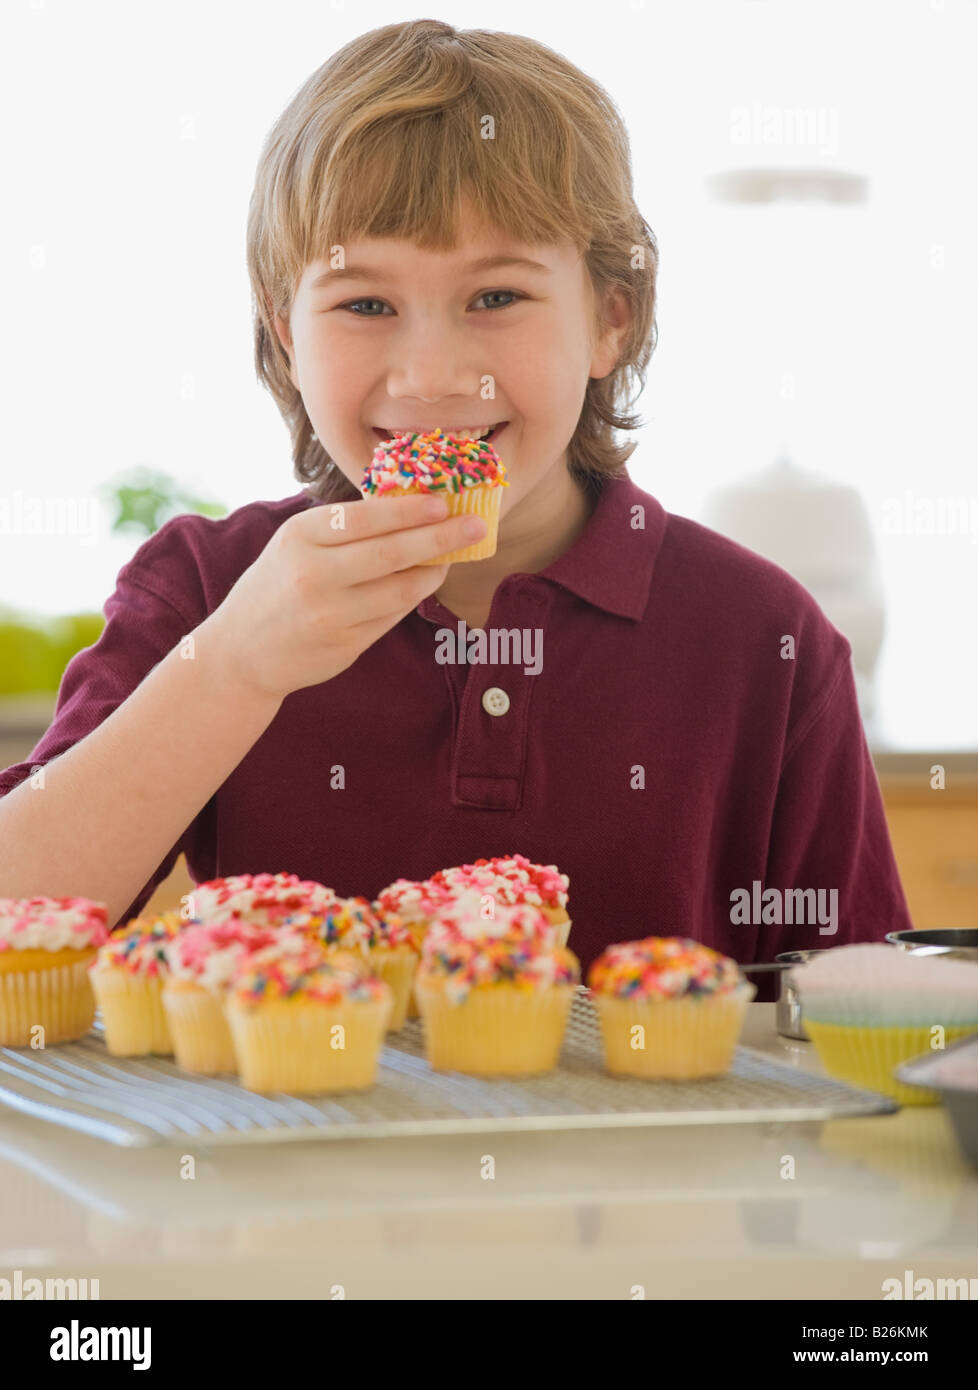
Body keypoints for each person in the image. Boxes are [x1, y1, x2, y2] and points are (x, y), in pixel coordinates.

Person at [0, 20, 912, 999]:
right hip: (285, 1153)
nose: (432, 375)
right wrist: (231, 666)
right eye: (364, 305)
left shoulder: (767, 638)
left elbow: (867, 1019)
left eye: (496, 296)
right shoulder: (206, 591)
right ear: (285, 331)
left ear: (612, 319)